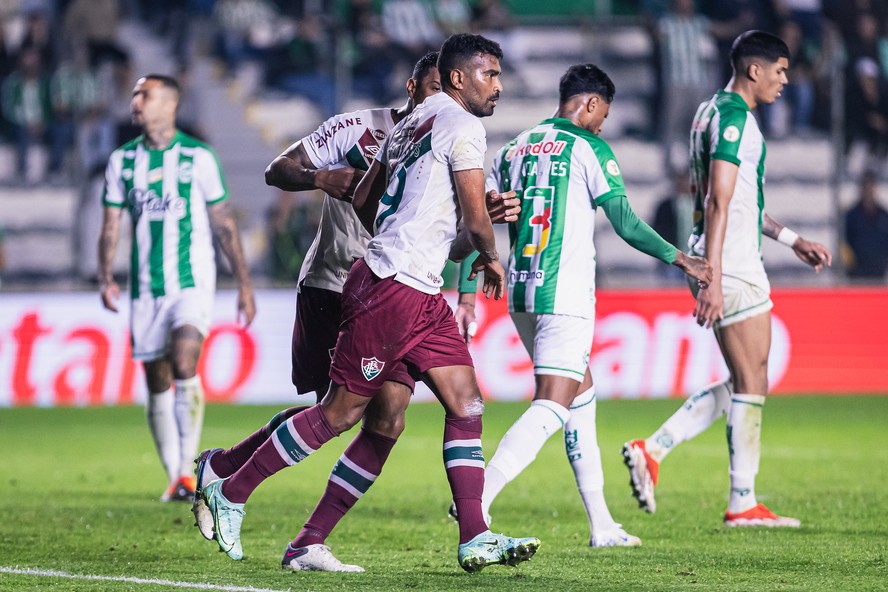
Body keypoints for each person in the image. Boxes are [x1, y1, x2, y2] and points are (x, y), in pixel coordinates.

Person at [195, 34, 539, 574]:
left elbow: (370, 204)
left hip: (414, 287)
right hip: (391, 287)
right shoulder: (461, 125)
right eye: (489, 74)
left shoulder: (406, 128)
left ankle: (474, 535)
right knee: (340, 413)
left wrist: (460, 234)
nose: (498, 85)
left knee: (463, 403)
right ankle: (231, 488)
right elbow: (472, 225)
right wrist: (491, 250)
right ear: (456, 78)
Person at [477, 64, 712, 548]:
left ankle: (602, 525)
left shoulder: (512, 148)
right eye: (602, 112)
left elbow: (481, 214)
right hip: (565, 291)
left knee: (581, 397)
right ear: (588, 103)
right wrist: (682, 258)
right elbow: (624, 221)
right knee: (552, 403)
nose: (603, 123)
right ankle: (476, 496)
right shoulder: (589, 147)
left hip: (522, 290)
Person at [622, 31, 832, 527]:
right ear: (754, 70)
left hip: (724, 255)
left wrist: (791, 238)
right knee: (753, 380)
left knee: (746, 378)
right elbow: (717, 200)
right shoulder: (737, 120)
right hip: (730, 262)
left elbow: (739, 201)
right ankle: (741, 500)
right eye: (779, 71)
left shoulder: (709, 111)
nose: (785, 80)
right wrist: (712, 275)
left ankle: (653, 450)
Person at [98, 74, 256, 503]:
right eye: (133, 93)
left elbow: (224, 223)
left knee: (185, 357)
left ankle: (191, 470)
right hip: (145, 287)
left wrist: (243, 284)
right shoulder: (122, 161)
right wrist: (105, 274)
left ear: (169, 104)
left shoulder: (198, 158)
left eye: (144, 94)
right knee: (156, 377)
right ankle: (176, 477)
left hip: (192, 281)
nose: (135, 101)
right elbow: (111, 225)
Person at [844, 169, 888, 280]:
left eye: (871, 186)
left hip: (879, 272)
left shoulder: (883, 215)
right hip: (857, 273)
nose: (868, 190)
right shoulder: (851, 216)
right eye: (866, 186)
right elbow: (844, 242)